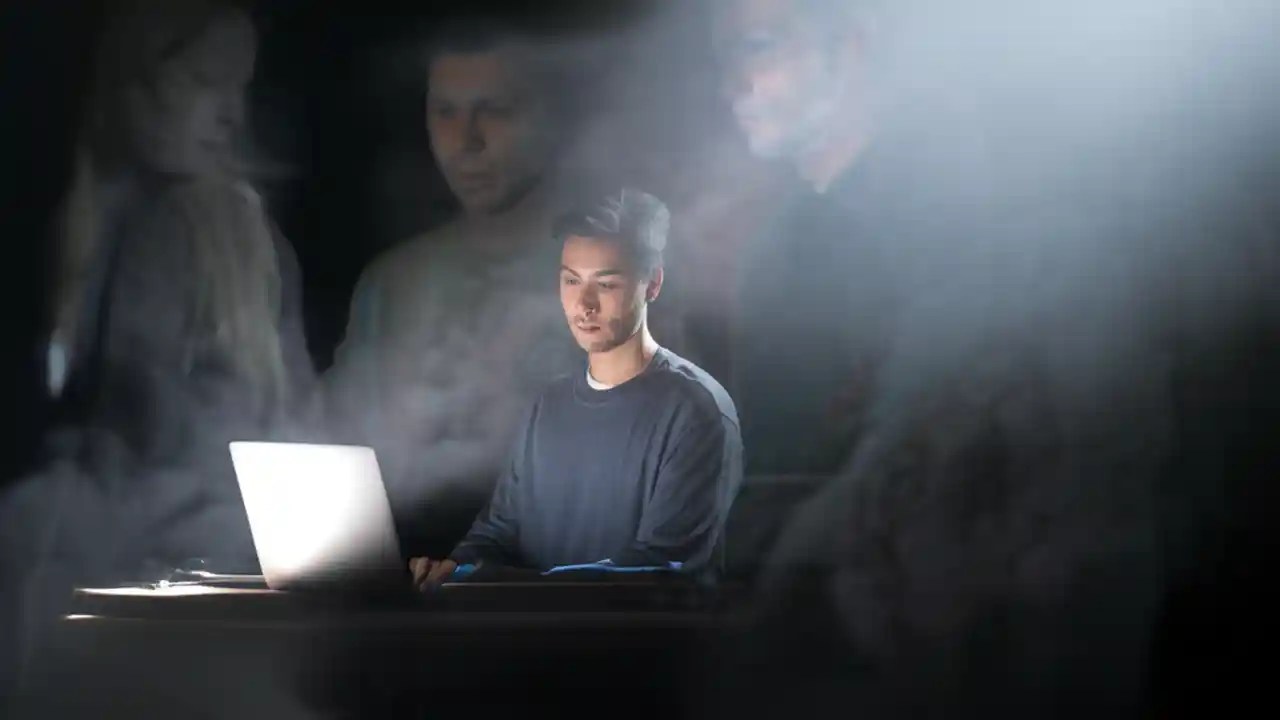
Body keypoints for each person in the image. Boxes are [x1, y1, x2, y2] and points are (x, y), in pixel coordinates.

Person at [323, 18, 585, 558]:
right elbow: (338, 460)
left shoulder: (611, 278)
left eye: (495, 111)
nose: (466, 142)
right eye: (445, 112)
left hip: (565, 600)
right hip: (402, 600)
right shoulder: (394, 283)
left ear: (552, 118)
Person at [409, 188, 742, 587]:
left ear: (652, 284)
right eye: (571, 280)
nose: (583, 304)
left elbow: (660, 569)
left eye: (606, 285)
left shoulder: (696, 410)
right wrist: (452, 570)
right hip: (530, 639)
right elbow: (499, 530)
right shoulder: (548, 406)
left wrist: (512, 586)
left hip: (641, 645)